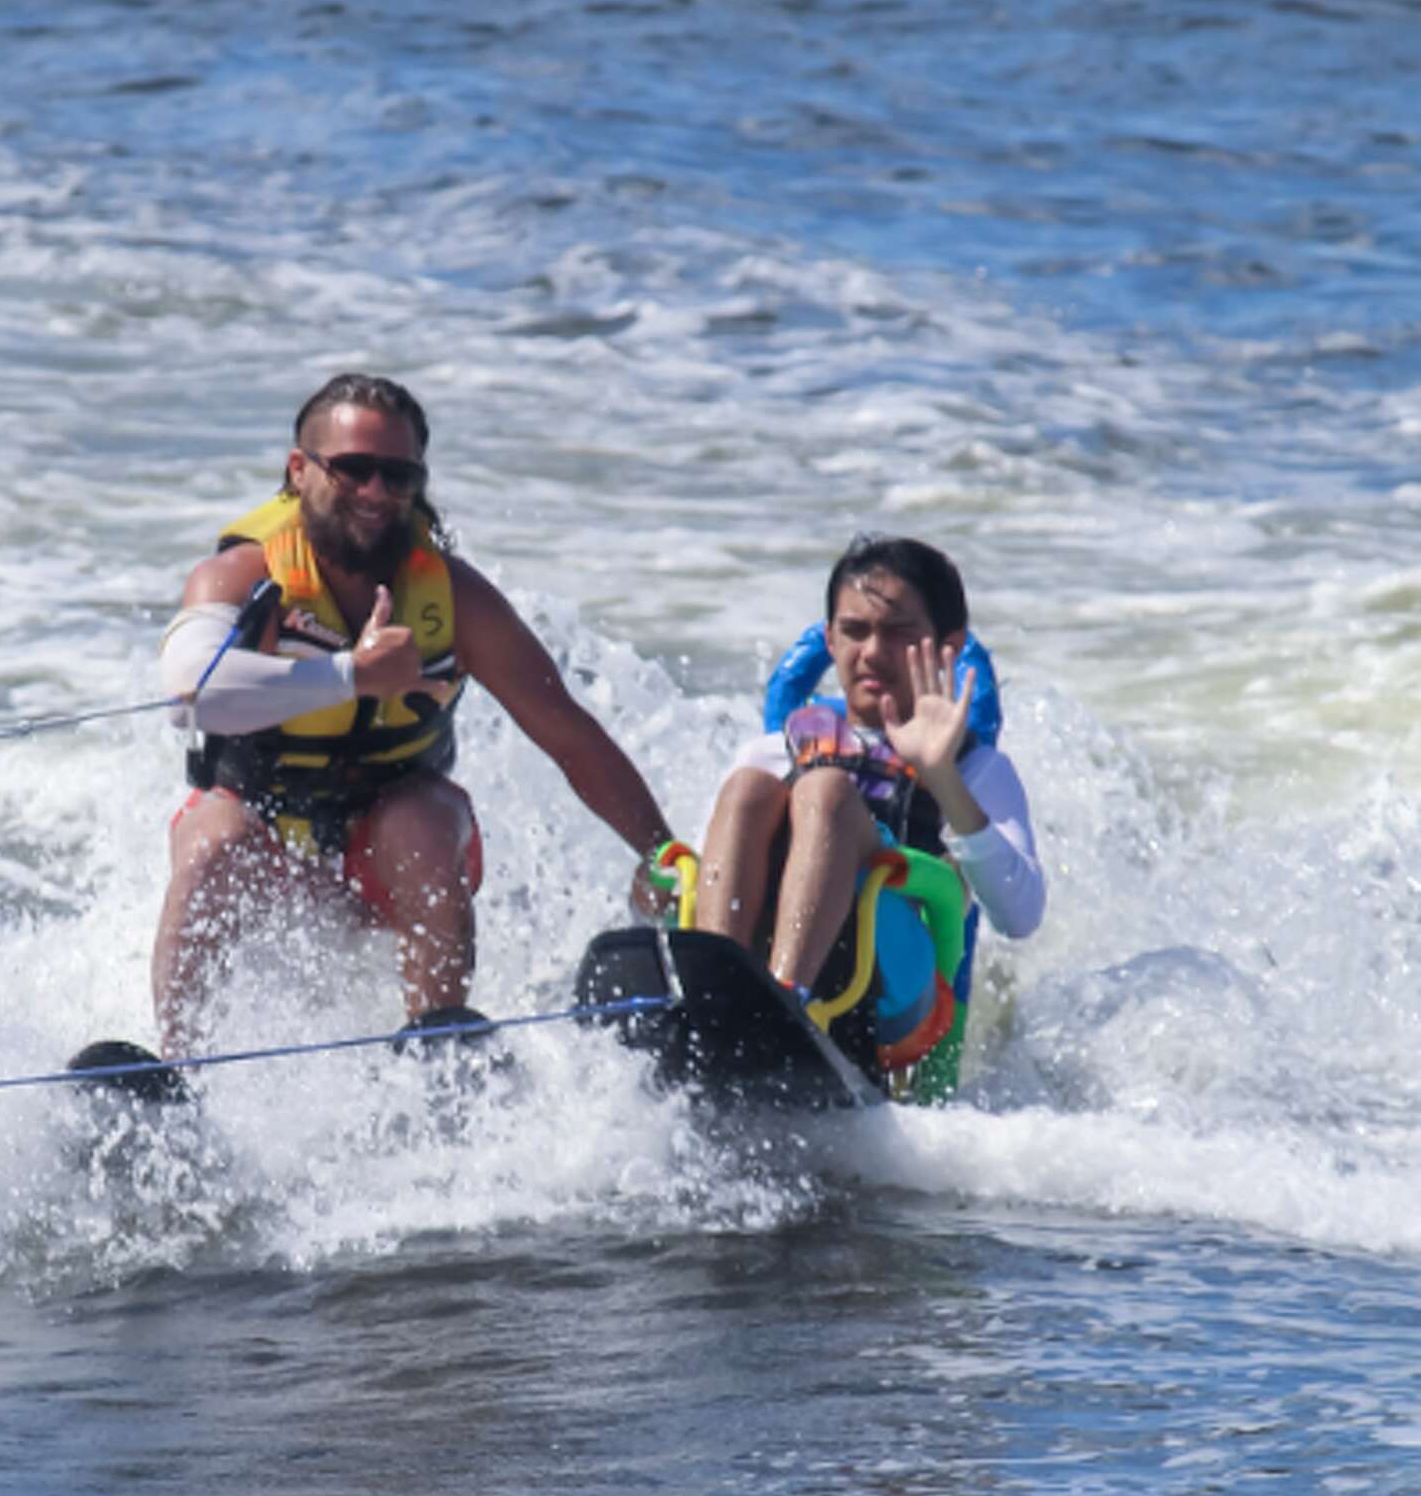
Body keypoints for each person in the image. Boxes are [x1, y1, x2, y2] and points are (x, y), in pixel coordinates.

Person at [144, 373, 673, 1057]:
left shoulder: (456, 599)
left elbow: (568, 734)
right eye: (354, 470)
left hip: (388, 850)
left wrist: (663, 853)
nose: (376, 494)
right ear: (299, 472)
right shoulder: (243, 578)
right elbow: (193, 689)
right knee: (214, 837)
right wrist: (351, 676)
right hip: (263, 834)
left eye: (398, 477)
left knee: (424, 821)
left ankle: (437, 1056)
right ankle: (180, 1069)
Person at [695, 535, 1044, 1086]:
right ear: (829, 639)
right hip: (768, 958)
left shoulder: (977, 770)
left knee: (826, 793)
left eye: (900, 634)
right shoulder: (772, 750)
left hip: (900, 997)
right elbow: (715, 876)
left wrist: (941, 776)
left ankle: (783, 1007)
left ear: (948, 646)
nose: (873, 654)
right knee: (747, 790)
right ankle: (710, 995)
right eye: (854, 632)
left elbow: (1020, 917)